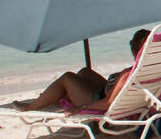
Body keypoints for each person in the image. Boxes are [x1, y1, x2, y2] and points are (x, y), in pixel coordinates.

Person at [15, 30, 150, 112]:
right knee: (85, 72)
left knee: (67, 77)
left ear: (135, 49)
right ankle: (52, 97)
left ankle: (31, 107)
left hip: (98, 99)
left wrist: (83, 107)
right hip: (109, 92)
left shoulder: (128, 74)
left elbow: (108, 103)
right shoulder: (152, 68)